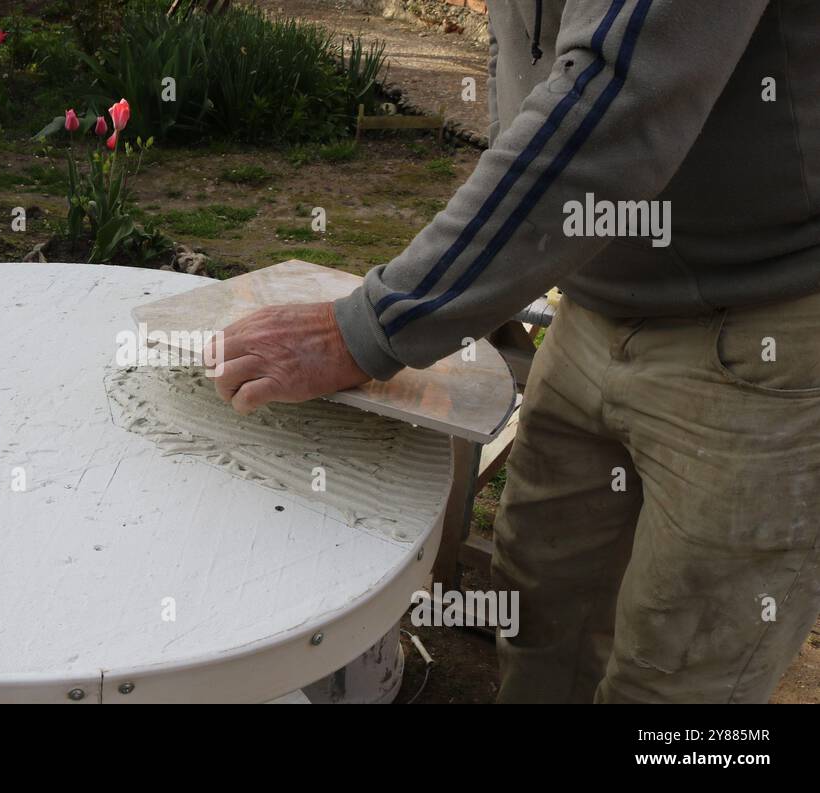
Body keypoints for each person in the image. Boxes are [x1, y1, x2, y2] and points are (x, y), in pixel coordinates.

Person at [209, 0, 820, 703]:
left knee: (683, 672)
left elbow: (616, 96)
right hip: (593, 309)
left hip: (767, 334)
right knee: (541, 613)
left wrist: (372, 326)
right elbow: (532, 73)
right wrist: (500, 280)